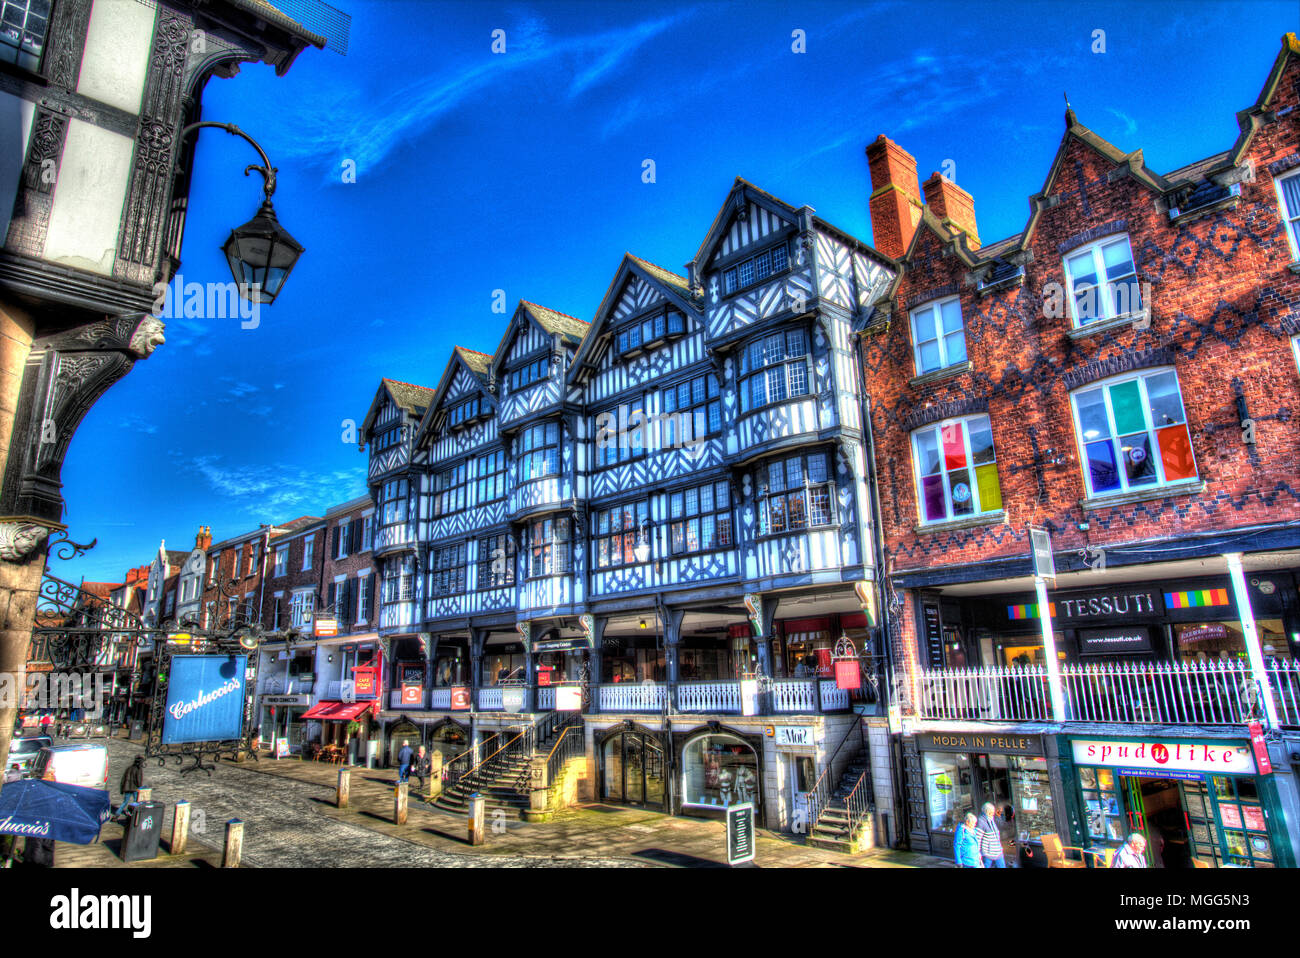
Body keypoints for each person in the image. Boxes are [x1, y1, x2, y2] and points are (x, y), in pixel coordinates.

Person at [976, 802, 1006, 868]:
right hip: (988, 853)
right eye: (992, 811)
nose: (993, 813)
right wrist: (977, 853)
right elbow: (978, 839)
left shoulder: (992, 819)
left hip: (998, 851)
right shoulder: (981, 821)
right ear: (987, 811)